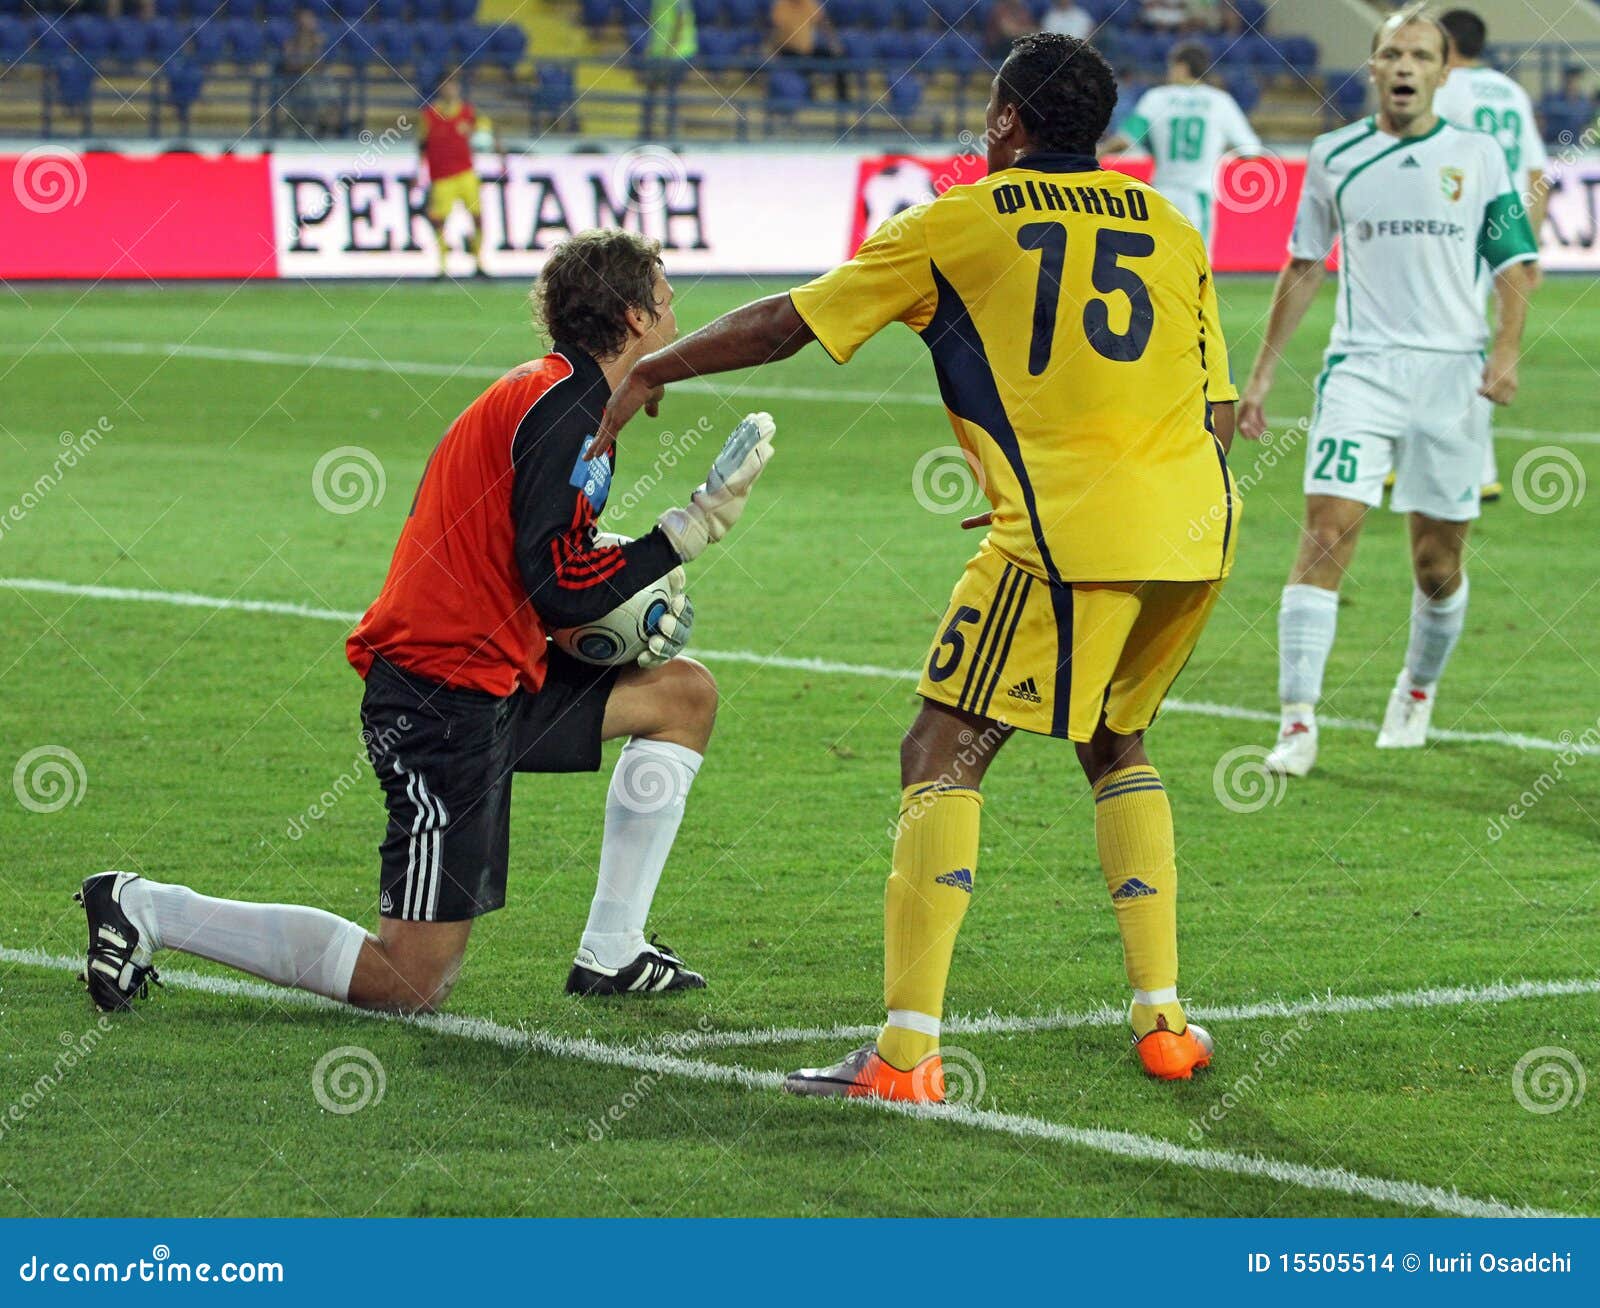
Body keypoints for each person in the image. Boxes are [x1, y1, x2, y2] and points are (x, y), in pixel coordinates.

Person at [588, 32, 1240, 1097]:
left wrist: (652, 366)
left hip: (1066, 536)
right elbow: (1212, 409)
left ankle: (903, 1056)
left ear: (1005, 122)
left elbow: (787, 325)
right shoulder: (1172, 225)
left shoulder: (955, 223)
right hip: (1194, 529)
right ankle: (1163, 1020)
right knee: (1115, 738)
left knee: (939, 748)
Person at [77, 230, 778, 1016]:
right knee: (407, 981)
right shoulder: (568, 412)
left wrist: (629, 605)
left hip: (490, 674)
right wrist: (687, 531)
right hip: (442, 697)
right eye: (666, 293)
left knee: (682, 697)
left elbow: (538, 571)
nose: (677, 308)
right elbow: (562, 587)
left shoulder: (555, 393)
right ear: (634, 315)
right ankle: (145, 907)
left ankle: (613, 951)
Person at [1237, 9, 1535, 777]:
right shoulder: (1335, 154)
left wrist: (1506, 352)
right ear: (1373, 67)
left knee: (1437, 565)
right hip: (1361, 370)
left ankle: (1418, 688)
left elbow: (1514, 264)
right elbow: (1304, 265)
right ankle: (1297, 724)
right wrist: (1263, 375)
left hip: (1452, 379)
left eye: (1420, 56)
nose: (1405, 66)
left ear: (1443, 72)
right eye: (1392, 53)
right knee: (1326, 532)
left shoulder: (1480, 155)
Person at [1434, 7, 1547, 502]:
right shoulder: (1513, 92)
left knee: (1454, 343)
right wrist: (1528, 248)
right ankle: (1424, 457)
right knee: (1464, 338)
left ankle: (1476, 471)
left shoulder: (1442, 89)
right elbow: (1536, 174)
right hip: (1506, 228)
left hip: (1455, 228)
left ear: (1445, 42)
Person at [1099, 41, 1261, 250]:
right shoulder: (1220, 101)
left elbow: (1125, 139)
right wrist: (1217, 146)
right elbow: (1250, 152)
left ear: (1182, 66)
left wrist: (1098, 151)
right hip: (1196, 196)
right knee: (1196, 269)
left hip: (1161, 195)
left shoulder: (1157, 98)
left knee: (1157, 266)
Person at [418, 73, 502, 279]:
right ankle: (443, 265)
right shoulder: (429, 115)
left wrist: (499, 151)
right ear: (440, 89)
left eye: (453, 85)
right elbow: (422, 144)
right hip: (441, 176)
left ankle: (478, 260)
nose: (450, 90)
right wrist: (418, 171)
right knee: (438, 220)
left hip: (466, 173)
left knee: (478, 217)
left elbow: (486, 132)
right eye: (446, 86)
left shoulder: (468, 113)